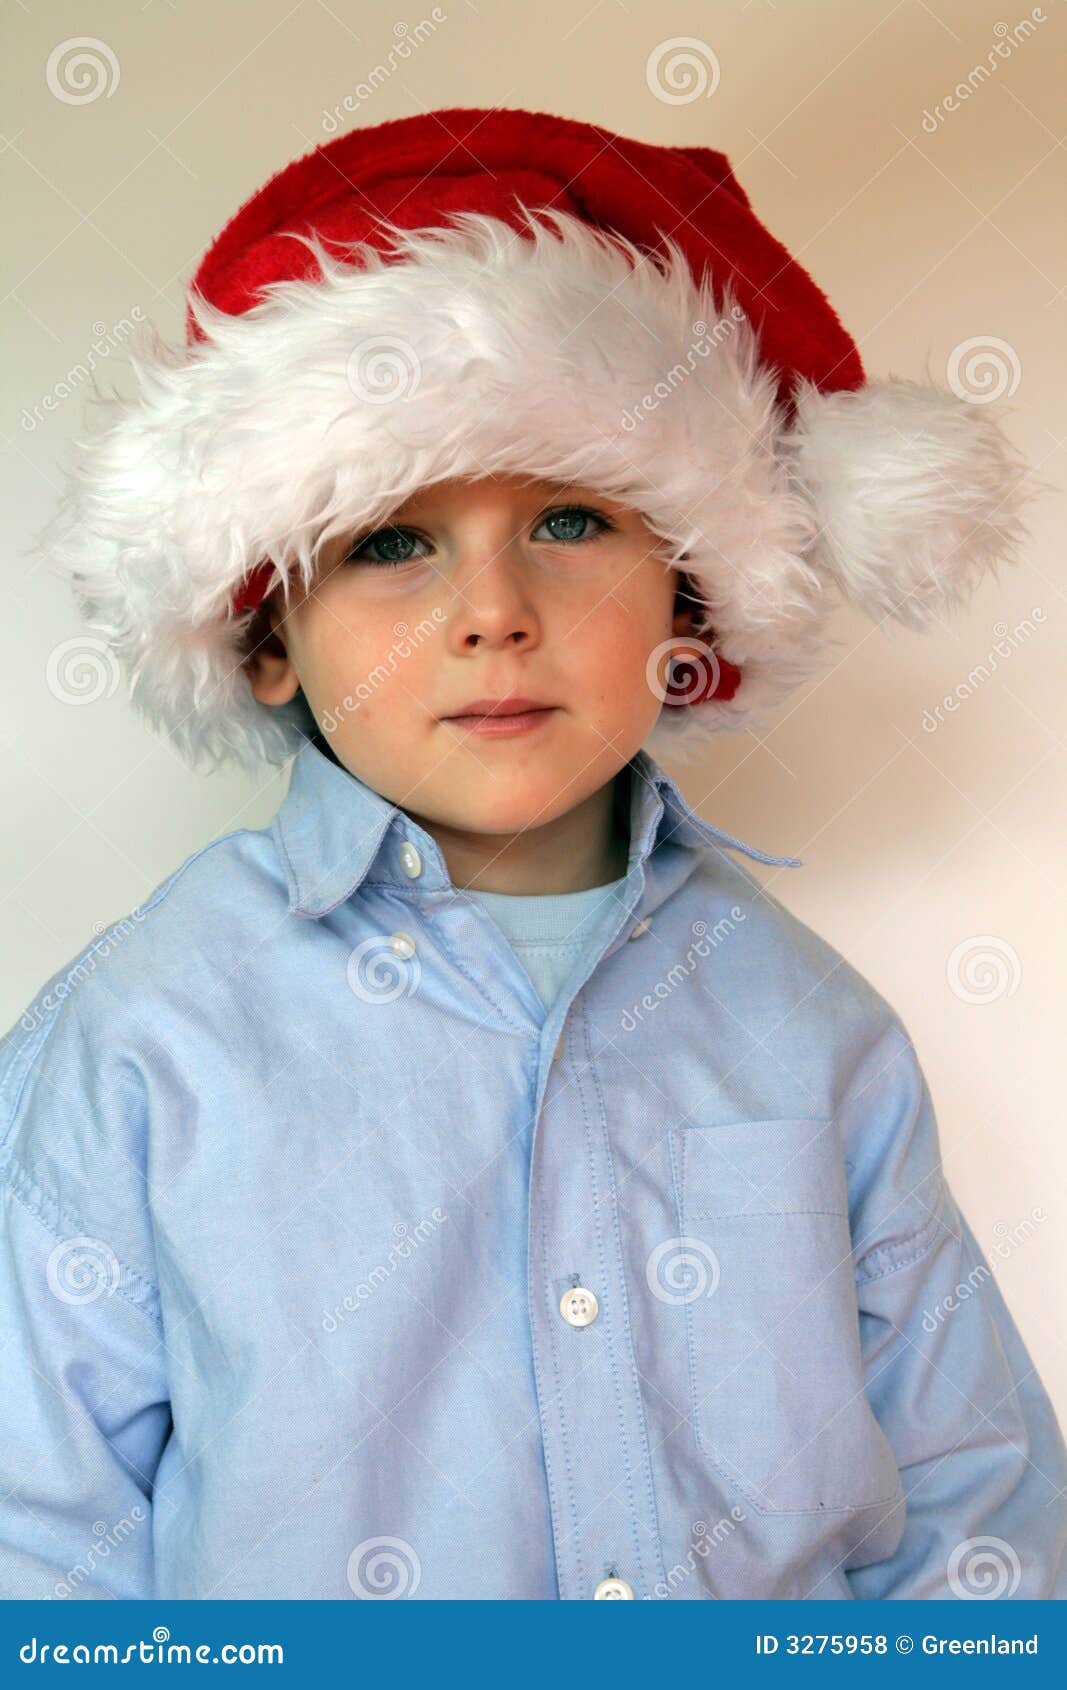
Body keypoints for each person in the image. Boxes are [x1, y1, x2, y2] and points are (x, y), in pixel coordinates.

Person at [2, 106, 1063, 1601]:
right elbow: (36, 1546)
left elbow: (982, 1515)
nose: (492, 609)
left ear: (690, 612)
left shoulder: (813, 1032)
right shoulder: (135, 1042)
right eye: (390, 542)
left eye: (570, 517)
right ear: (262, 641)